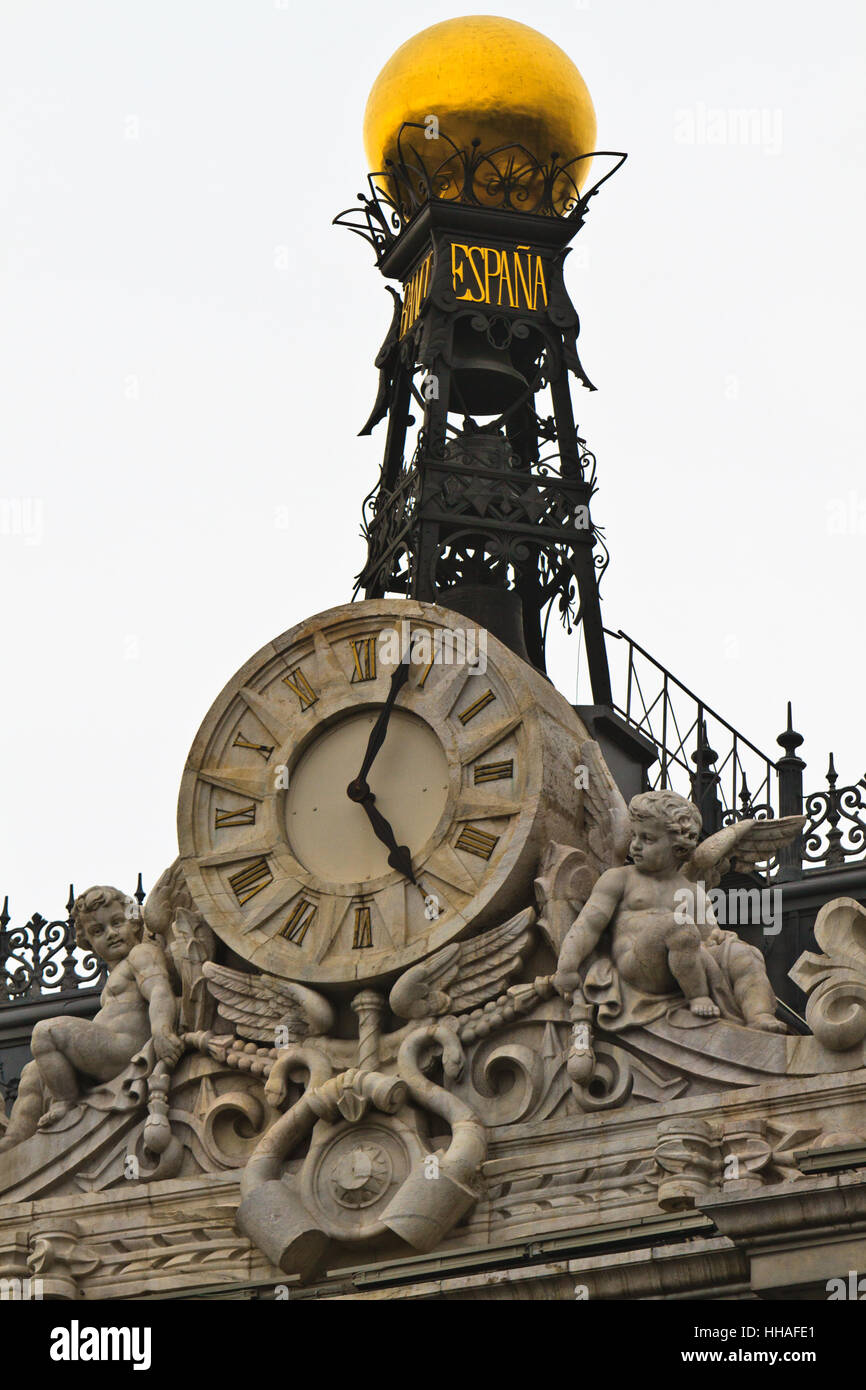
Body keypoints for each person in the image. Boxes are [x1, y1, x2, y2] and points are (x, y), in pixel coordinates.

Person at [0, 885, 182, 1152]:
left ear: (134, 923)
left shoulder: (140, 954)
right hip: (105, 1052)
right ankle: (16, 1140)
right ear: (88, 941)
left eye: (117, 923)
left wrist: (162, 1030)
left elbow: (158, 991)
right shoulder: (119, 972)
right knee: (32, 1070)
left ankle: (66, 1105)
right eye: (98, 931)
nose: (110, 934)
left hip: (124, 1051)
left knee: (46, 1032)